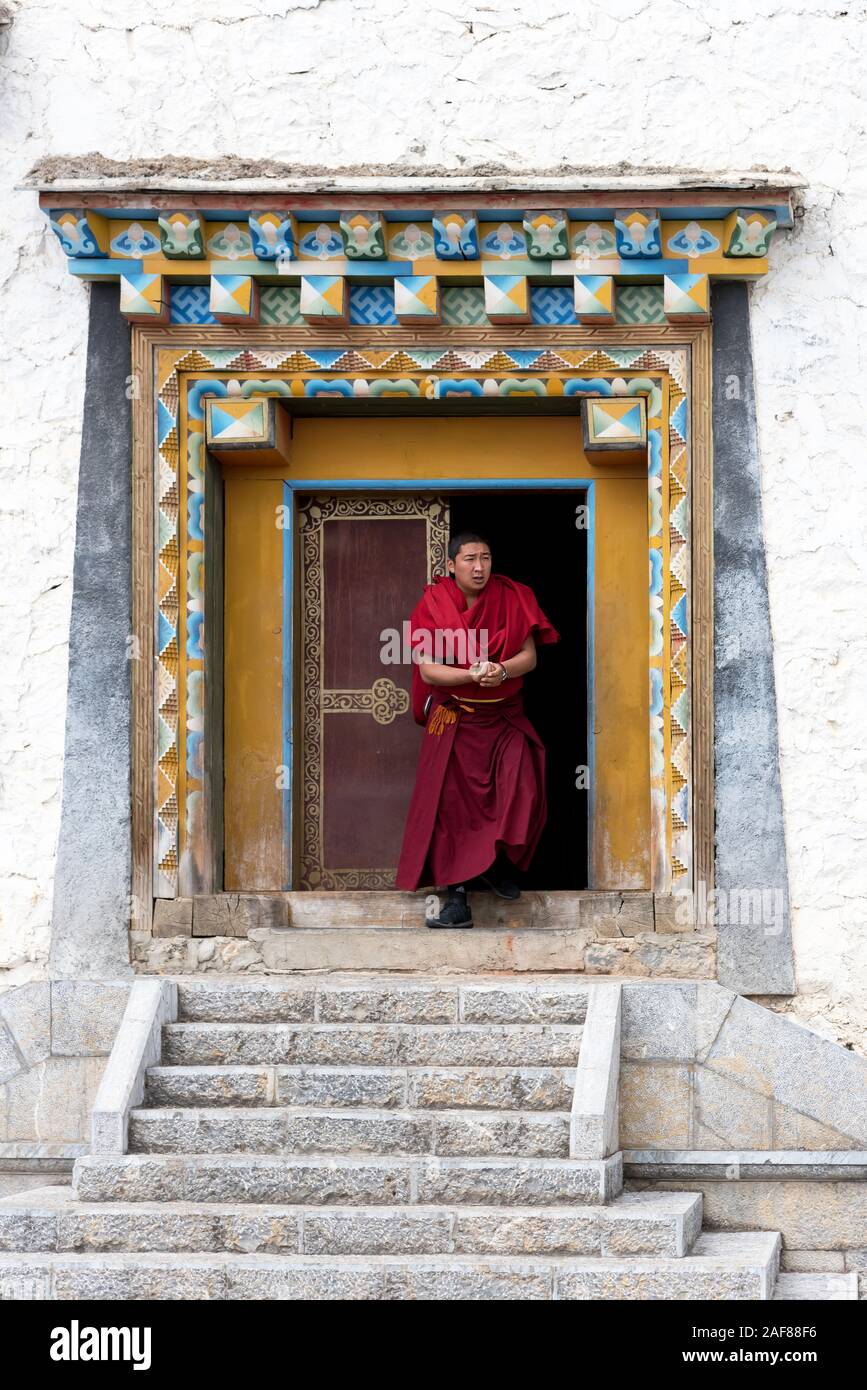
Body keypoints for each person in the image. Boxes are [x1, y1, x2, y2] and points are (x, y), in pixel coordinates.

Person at [395, 531, 560, 927]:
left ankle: (496, 863)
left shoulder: (513, 595)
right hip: (455, 717)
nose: (480, 566)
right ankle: (457, 899)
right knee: (451, 809)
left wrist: (500, 669)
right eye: (469, 558)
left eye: (486, 557)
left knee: (520, 786)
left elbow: (529, 656)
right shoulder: (433, 603)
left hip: (503, 716)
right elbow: (428, 668)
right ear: (451, 565)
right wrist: (470, 673)